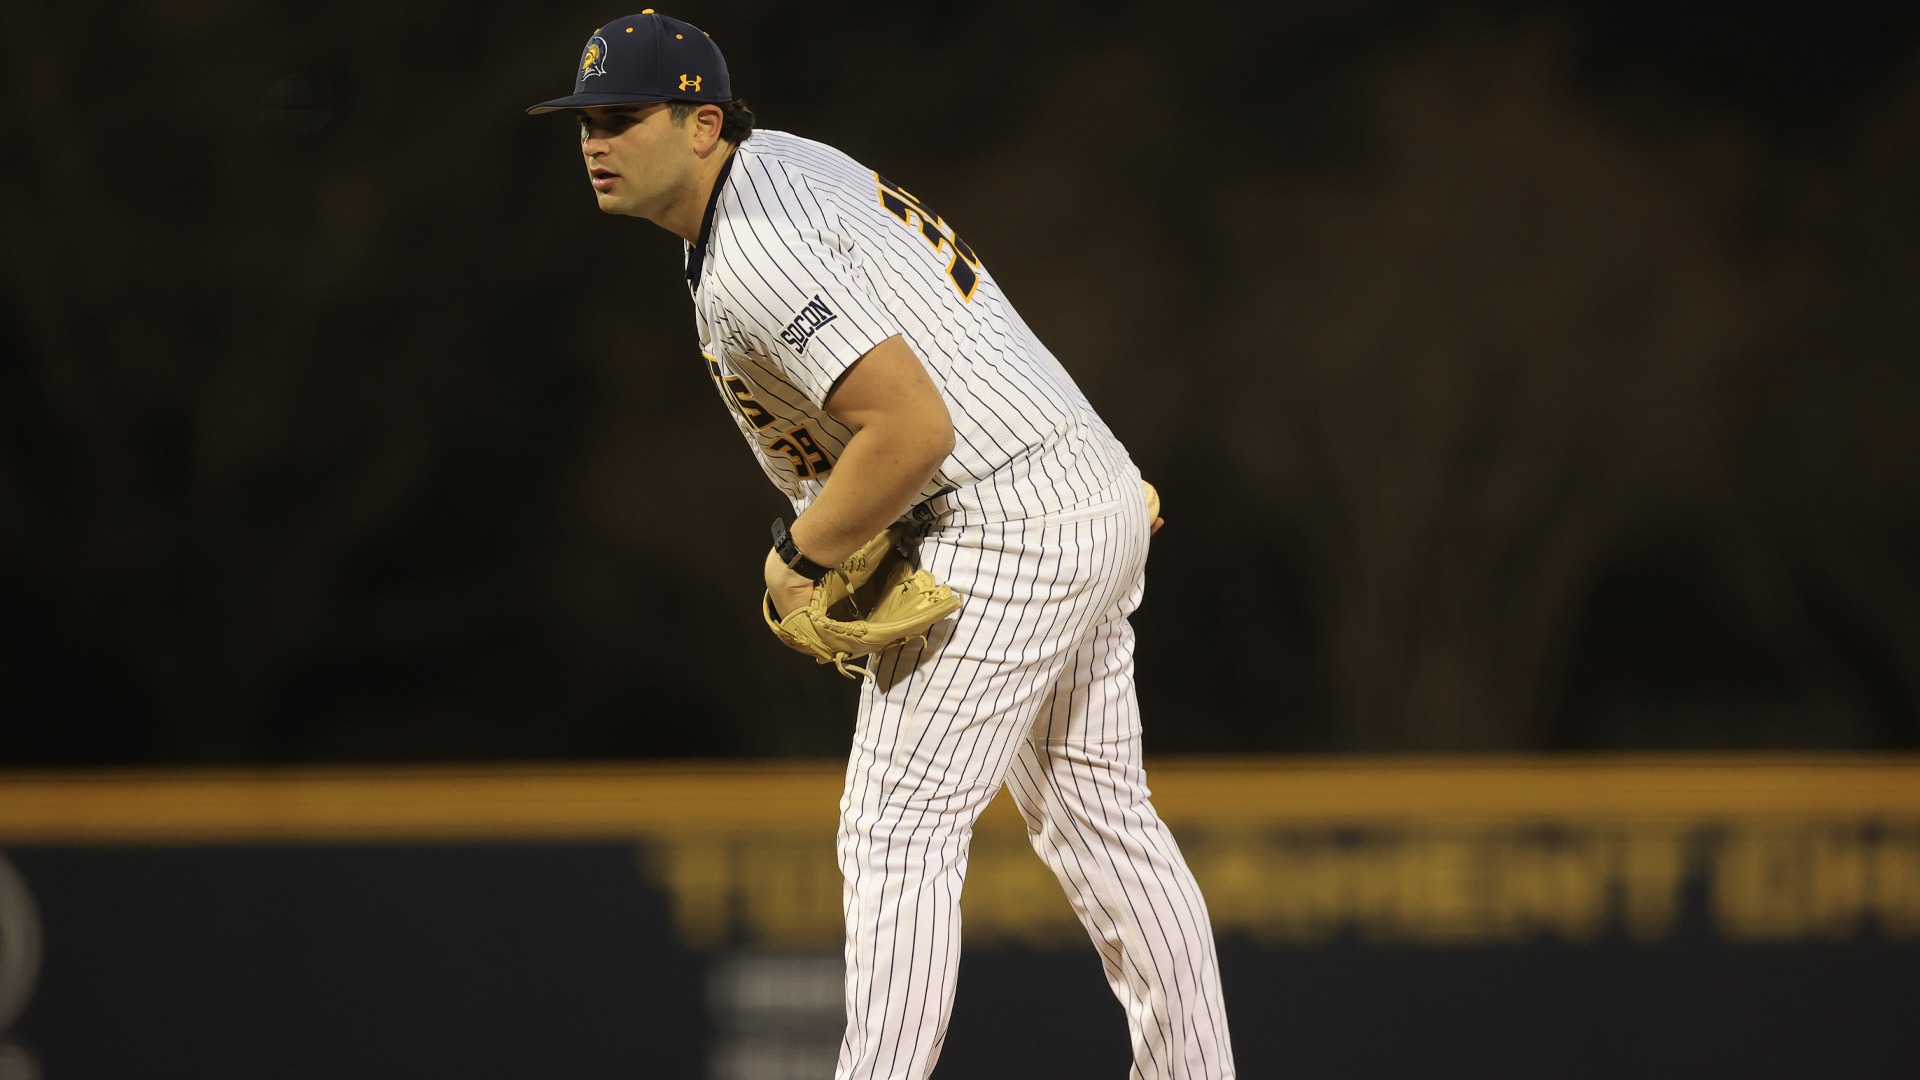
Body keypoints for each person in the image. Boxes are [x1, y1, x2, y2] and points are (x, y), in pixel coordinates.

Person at [529, 12, 1235, 1078]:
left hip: (1004, 516)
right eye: (586, 120)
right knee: (1102, 824)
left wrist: (801, 555)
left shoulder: (754, 248)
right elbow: (957, 325)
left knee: (895, 826)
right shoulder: (791, 169)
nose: (595, 140)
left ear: (703, 122)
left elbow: (911, 427)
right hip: (1068, 480)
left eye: (622, 117)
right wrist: (1086, 467)